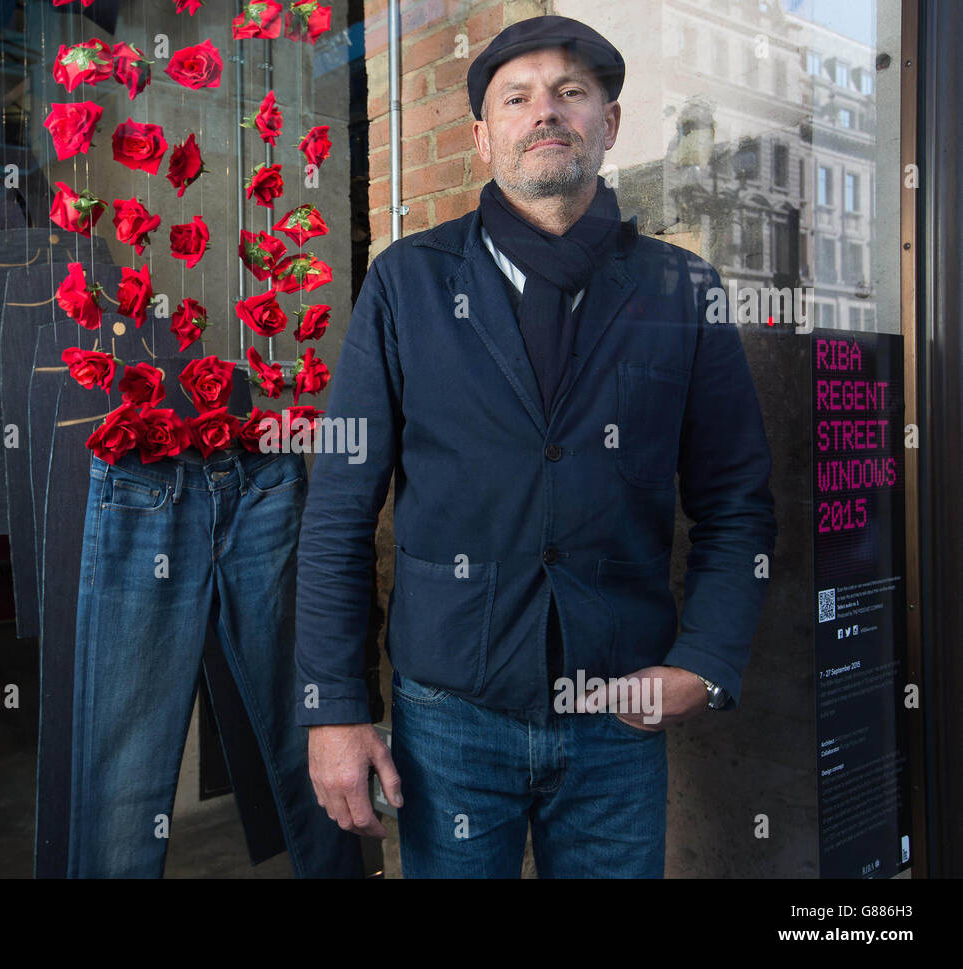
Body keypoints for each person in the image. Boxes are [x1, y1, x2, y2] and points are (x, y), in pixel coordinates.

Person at [295, 15, 777, 877]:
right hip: (449, 714)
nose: (545, 111)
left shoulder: (682, 290)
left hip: (618, 715)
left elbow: (736, 501)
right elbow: (338, 508)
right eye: (516, 98)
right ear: (484, 137)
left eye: (570, 92)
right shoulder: (407, 282)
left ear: (610, 123)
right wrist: (334, 706)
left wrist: (705, 662)